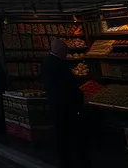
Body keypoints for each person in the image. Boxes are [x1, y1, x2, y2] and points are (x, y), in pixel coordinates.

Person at [42, 39, 89, 168]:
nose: (66, 54)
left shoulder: (46, 62)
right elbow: (68, 86)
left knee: (61, 134)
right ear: (61, 51)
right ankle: (72, 160)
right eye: (65, 51)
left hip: (56, 105)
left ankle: (65, 159)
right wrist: (80, 98)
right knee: (68, 134)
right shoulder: (58, 65)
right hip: (66, 106)